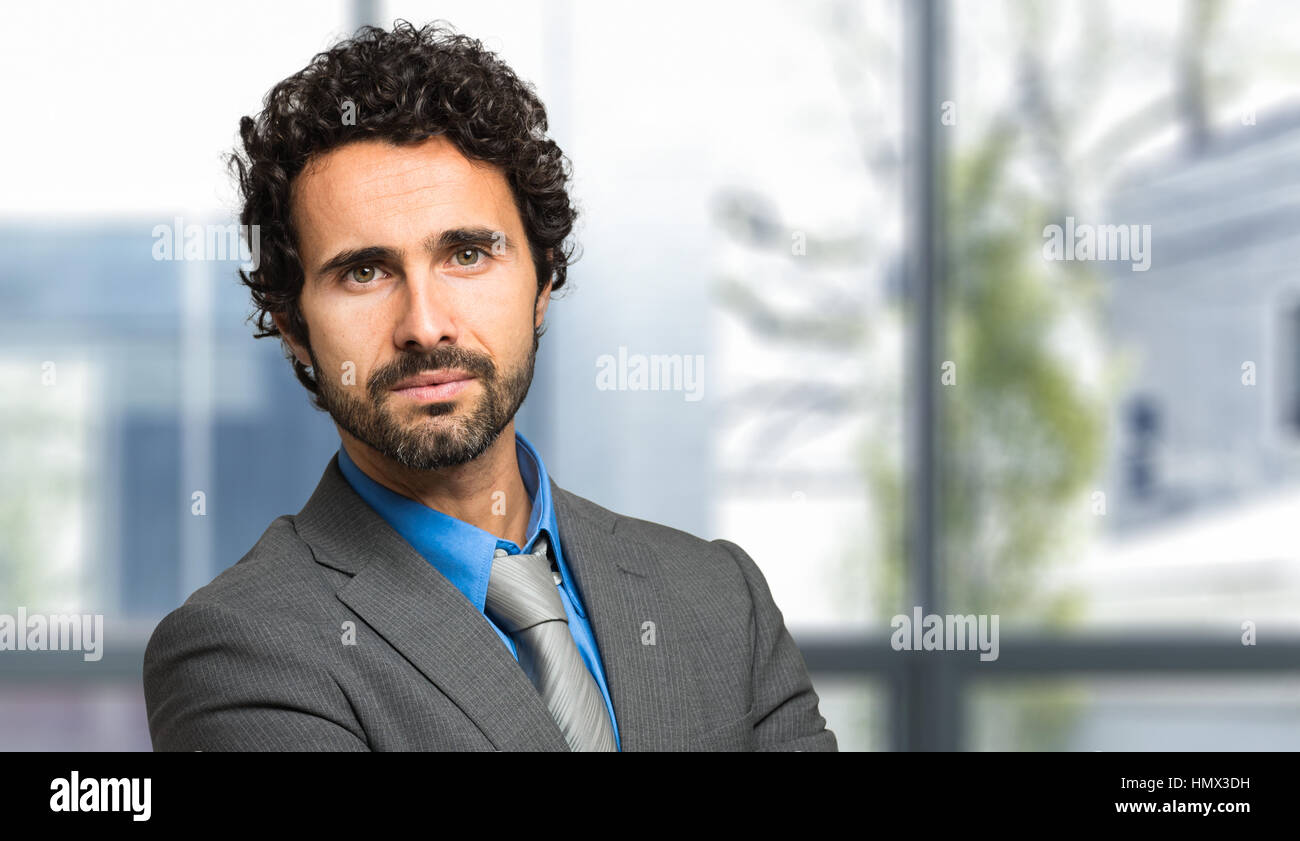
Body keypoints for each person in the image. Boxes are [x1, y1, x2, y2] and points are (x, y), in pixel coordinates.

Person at [143, 20, 837, 752]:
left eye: (467, 254)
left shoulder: (721, 597)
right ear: (292, 325)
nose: (426, 324)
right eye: (364, 271)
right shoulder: (237, 652)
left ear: (542, 282)